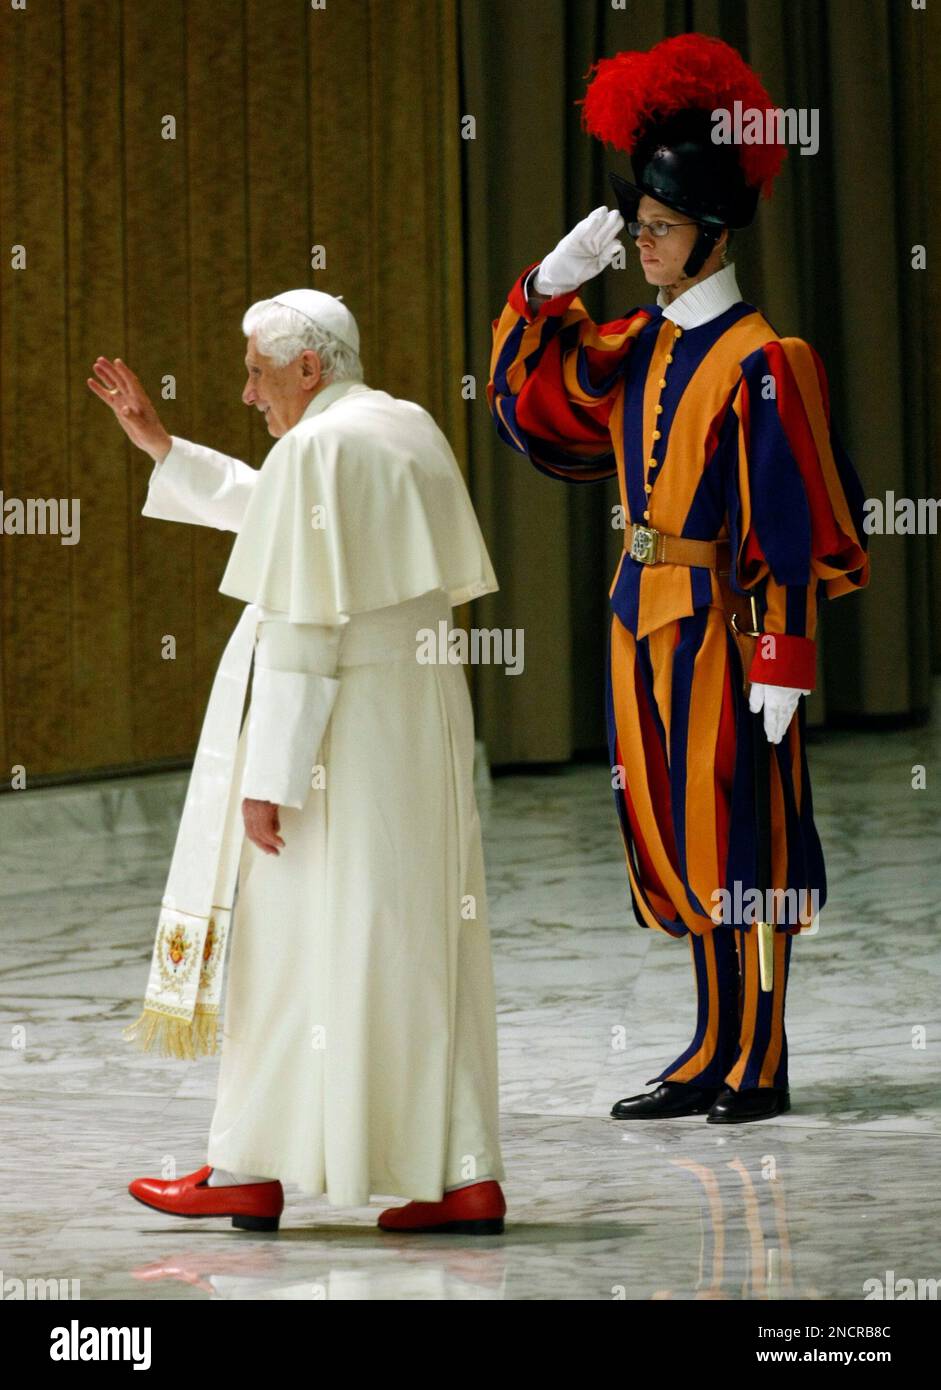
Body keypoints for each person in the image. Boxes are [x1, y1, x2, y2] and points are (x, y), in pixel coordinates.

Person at [488, 35, 869, 1124]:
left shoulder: (763, 356)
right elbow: (533, 413)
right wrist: (543, 290)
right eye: (639, 229)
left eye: (656, 230)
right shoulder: (639, 342)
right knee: (673, 838)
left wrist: (782, 657)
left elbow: (787, 530)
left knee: (747, 838)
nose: (641, 246)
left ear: (708, 235)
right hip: (638, 617)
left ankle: (760, 1056)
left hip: (724, 625)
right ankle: (708, 1043)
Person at [88, 288, 507, 1231]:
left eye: (257, 371)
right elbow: (284, 513)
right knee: (411, 946)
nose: (246, 393)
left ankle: (245, 1165)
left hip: (335, 744)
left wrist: (268, 781)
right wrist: (163, 447)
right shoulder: (399, 423)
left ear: (308, 368)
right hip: (416, 731)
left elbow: (303, 633)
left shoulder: (319, 444)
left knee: (279, 955)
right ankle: (462, 1171)